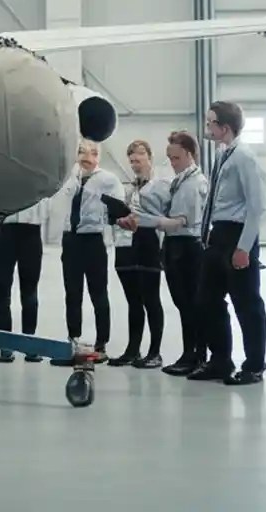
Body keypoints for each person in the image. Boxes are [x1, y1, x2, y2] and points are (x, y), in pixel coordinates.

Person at [189, 101, 266, 386]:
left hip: (237, 234)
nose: (207, 127)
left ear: (225, 127)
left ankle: (254, 365)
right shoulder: (223, 154)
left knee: (247, 304)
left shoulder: (244, 157)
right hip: (218, 234)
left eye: (211, 123)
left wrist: (244, 247)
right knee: (206, 300)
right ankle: (220, 360)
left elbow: (256, 205)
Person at [122, 130, 211, 376]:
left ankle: (196, 355)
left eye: (177, 157)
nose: (172, 163)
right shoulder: (180, 180)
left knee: (191, 303)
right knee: (183, 303)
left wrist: (144, 221)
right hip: (174, 246)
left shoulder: (194, 182)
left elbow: (179, 222)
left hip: (187, 246)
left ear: (190, 154)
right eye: (170, 158)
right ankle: (190, 353)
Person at [50, 139, 122, 366]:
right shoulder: (70, 178)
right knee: (72, 293)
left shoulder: (108, 180)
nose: (86, 156)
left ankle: (101, 344)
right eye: (81, 151)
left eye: (93, 152)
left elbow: (119, 208)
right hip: (71, 239)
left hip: (93, 240)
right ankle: (73, 340)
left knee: (98, 293)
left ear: (99, 156)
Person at [109, 140, 170, 368]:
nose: (135, 164)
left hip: (150, 246)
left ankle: (155, 352)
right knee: (133, 301)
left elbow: (165, 215)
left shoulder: (161, 185)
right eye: (132, 160)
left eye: (139, 159)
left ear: (150, 158)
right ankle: (133, 349)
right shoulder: (129, 188)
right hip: (127, 247)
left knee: (151, 300)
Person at [0, 198, 47, 363]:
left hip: (31, 230)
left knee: (29, 291)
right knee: (1, 289)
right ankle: (5, 344)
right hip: (4, 229)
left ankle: (29, 342)